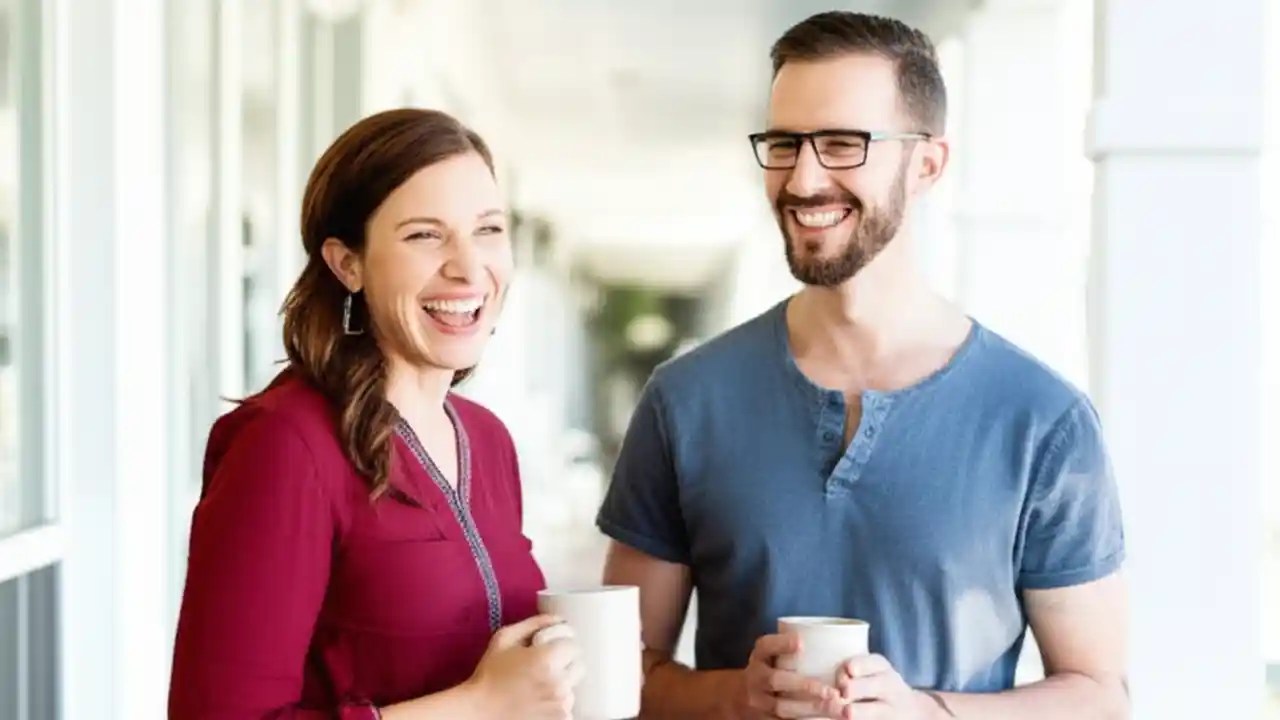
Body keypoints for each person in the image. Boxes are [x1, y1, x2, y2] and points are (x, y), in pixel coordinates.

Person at [598, 11, 1128, 720]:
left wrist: (926, 713)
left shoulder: (1042, 421)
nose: (803, 177)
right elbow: (617, 675)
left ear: (928, 164)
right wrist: (732, 694)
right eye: (785, 143)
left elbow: (1098, 695)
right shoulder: (685, 401)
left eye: (844, 143)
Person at [168, 108, 581, 720]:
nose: (469, 267)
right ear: (347, 263)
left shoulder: (487, 441)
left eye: (488, 230)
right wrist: (480, 704)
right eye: (424, 235)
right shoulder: (285, 444)